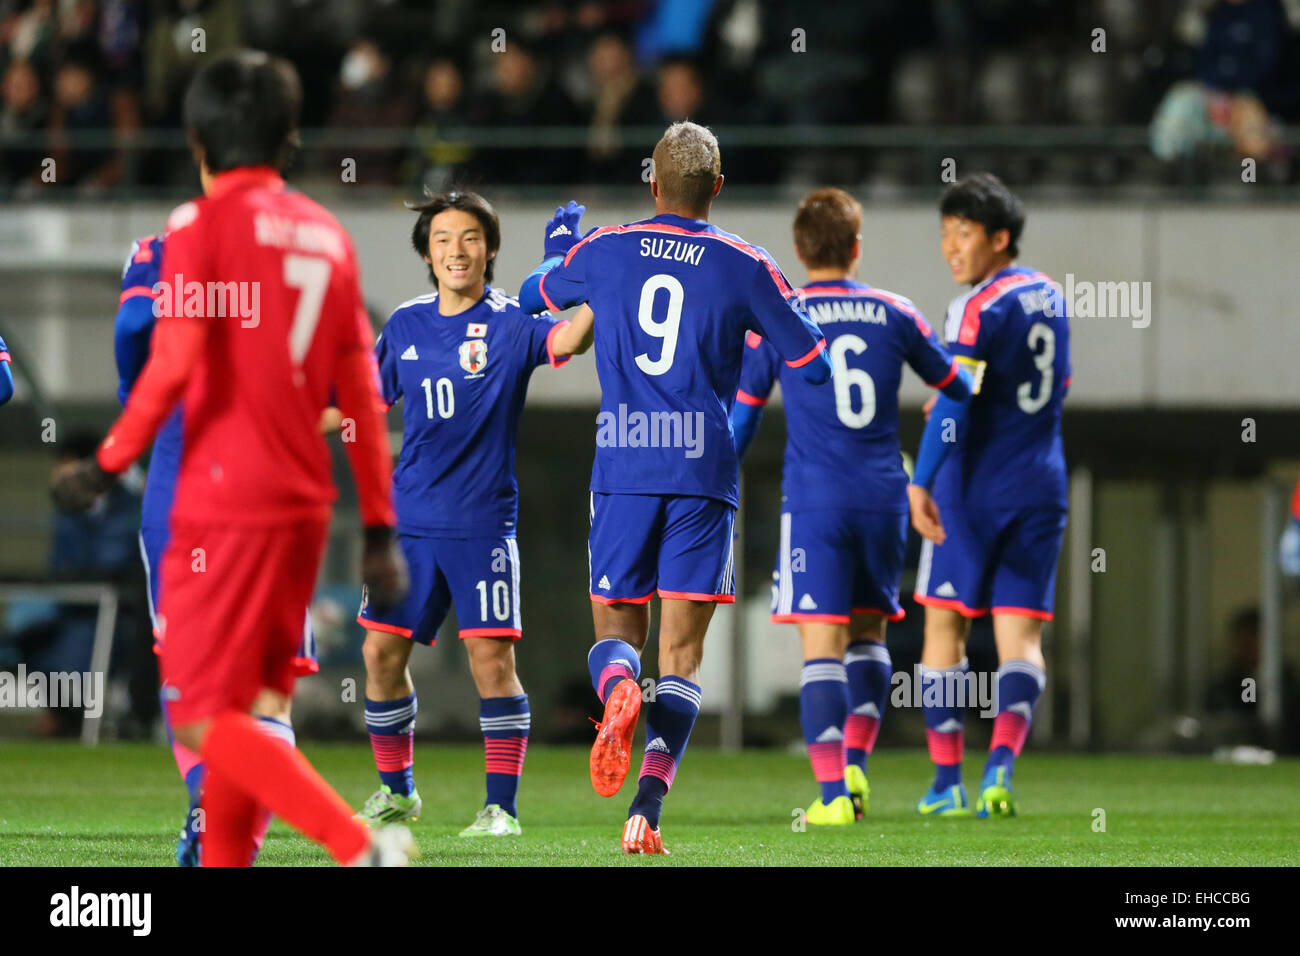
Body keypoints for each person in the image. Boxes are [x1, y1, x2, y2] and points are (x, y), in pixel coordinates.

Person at [52, 49, 412, 867]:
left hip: (216, 497)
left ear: (194, 139)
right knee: (265, 701)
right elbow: (359, 391)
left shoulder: (193, 229)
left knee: (204, 718)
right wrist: (381, 527)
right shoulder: (326, 235)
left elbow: (170, 363)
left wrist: (106, 464)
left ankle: (359, 847)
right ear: (289, 139)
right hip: (302, 504)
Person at [518, 121, 831, 854]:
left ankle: (616, 687)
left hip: (624, 463)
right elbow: (812, 361)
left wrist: (557, 251)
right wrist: (757, 327)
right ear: (717, 188)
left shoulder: (606, 249)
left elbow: (536, 298)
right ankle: (647, 808)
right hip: (702, 467)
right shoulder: (747, 265)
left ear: (649, 181)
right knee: (683, 656)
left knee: (617, 629)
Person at [355, 189, 593, 837]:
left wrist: (589, 278)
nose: (455, 251)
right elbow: (361, 401)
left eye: (468, 238)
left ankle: (501, 810)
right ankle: (398, 792)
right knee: (380, 656)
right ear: (427, 255)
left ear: (489, 249)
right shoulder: (403, 325)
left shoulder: (514, 321)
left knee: (492, 665)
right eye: (441, 240)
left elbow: (572, 338)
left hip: (483, 524)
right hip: (410, 525)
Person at [731, 188, 972, 825]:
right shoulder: (897, 313)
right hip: (885, 498)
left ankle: (833, 795)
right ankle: (857, 763)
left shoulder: (781, 319)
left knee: (821, 645)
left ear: (800, 250)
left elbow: (742, 421)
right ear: (857, 247)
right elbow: (959, 388)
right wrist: (939, 433)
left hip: (816, 503)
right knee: (869, 633)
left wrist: (712, 478)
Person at [114, 231, 333, 865]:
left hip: (177, 489)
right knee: (268, 691)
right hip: (269, 486)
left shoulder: (161, 246)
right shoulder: (306, 248)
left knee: (189, 676)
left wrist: (137, 397)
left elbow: (132, 321)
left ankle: (207, 805)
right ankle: (245, 835)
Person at [907, 172, 1071, 818]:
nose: (952, 248)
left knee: (943, 626)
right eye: (946, 235)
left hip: (972, 489)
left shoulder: (977, 307)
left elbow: (954, 404)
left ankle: (948, 782)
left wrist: (921, 480)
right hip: (1041, 484)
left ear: (1000, 239)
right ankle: (1000, 772)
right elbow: (1059, 384)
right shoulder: (1053, 298)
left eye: (965, 234)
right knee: (1021, 640)